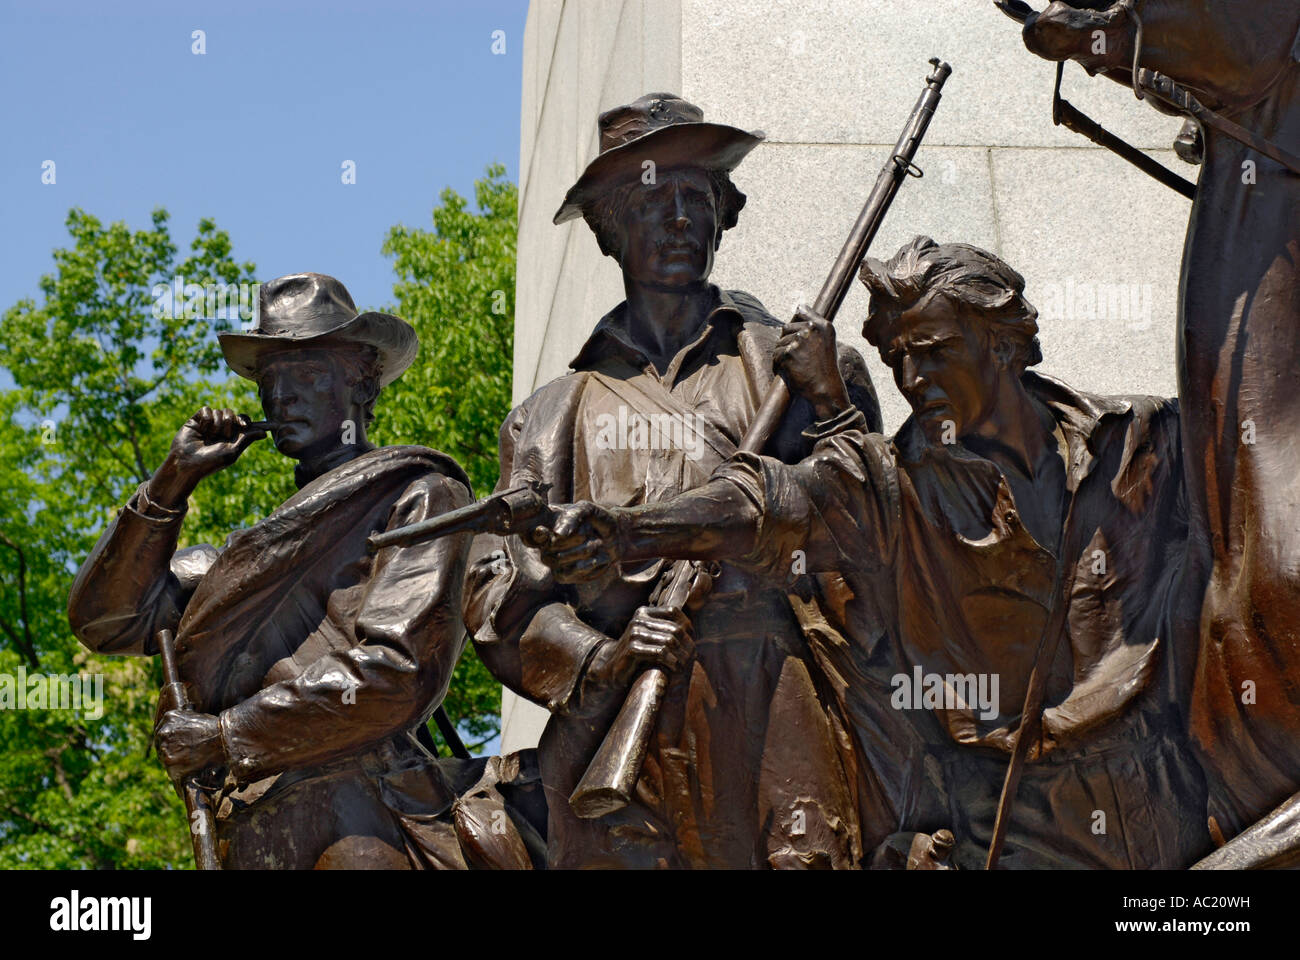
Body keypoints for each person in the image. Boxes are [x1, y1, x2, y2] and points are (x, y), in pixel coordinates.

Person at [538, 237, 1211, 869]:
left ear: (1005, 344)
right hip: (1013, 826)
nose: (912, 379)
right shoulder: (885, 486)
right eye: (896, 360)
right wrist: (632, 529)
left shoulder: (1147, 442)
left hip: (1169, 796)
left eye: (934, 351)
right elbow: (764, 503)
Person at [463, 94, 884, 868]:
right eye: (653, 200)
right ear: (609, 229)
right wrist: (602, 656)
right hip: (629, 706)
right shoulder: (547, 418)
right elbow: (496, 597)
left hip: (781, 688)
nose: (680, 219)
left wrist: (830, 404)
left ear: (724, 217)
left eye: (697, 198)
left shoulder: (791, 369)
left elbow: (876, 529)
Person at [69, 273, 544, 869]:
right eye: (271, 380)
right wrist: (171, 481)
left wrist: (224, 737)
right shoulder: (240, 564)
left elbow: (398, 672)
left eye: (309, 373)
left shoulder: (420, 496)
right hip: (249, 835)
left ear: (364, 381)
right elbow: (105, 620)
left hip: (358, 818)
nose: (282, 397)